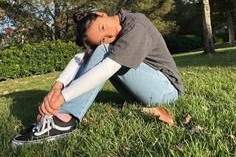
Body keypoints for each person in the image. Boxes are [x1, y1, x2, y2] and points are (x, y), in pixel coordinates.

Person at [12, 9, 183, 147]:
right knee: (100, 49)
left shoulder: (136, 23)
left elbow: (108, 67)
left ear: (102, 13)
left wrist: (62, 99)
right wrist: (57, 87)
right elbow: (81, 58)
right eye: (103, 37)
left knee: (103, 50)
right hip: (140, 93)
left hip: (166, 90)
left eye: (102, 28)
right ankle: (60, 115)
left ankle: (63, 119)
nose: (109, 36)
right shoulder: (112, 36)